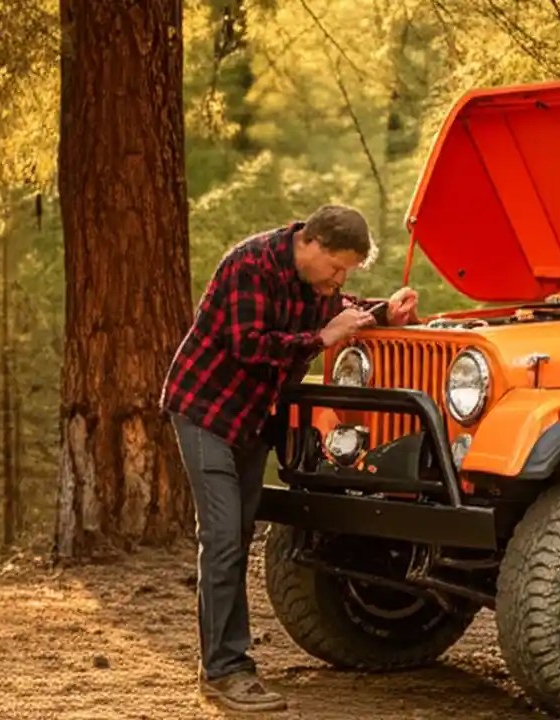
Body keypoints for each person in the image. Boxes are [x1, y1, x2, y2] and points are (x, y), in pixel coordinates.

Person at [159, 204, 418, 712]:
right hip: (206, 414)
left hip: (252, 422)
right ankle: (226, 671)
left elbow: (340, 309)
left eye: (348, 272)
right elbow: (248, 346)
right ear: (312, 244)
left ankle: (224, 661)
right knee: (221, 538)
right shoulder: (248, 265)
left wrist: (387, 311)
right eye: (337, 267)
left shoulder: (312, 283)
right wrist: (323, 339)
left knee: (236, 535)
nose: (339, 279)